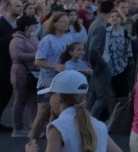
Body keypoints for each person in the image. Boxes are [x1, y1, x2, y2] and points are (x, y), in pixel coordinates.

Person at [24, 70, 122, 152]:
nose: (49, 99)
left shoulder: (58, 128)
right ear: (83, 97)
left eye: (50, 95)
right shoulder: (99, 125)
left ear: (59, 97)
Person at [30, 12, 73, 142]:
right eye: (63, 21)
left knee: (57, 113)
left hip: (64, 80)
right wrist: (54, 66)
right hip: (48, 80)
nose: (66, 24)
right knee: (42, 113)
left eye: (67, 21)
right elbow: (38, 61)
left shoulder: (69, 38)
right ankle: (31, 142)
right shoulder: (47, 40)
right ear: (54, 24)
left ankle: (53, 143)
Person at [10, 15, 39, 137]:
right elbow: (18, 55)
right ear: (27, 26)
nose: (35, 26)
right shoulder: (16, 40)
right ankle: (18, 128)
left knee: (33, 100)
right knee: (20, 100)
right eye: (33, 24)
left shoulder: (32, 37)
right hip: (20, 72)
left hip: (32, 72)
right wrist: (36, 55)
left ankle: (33, 125)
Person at [105, 10, 134, 104]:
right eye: (112, 16)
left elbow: (128, 46)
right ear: (109, 19)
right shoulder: (105, 32)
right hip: (108, 64)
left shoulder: (125, 32)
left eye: (117, 16)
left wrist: (126, 60)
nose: (114, 18)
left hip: (121, 65)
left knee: (122, 92)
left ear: (121, 19)